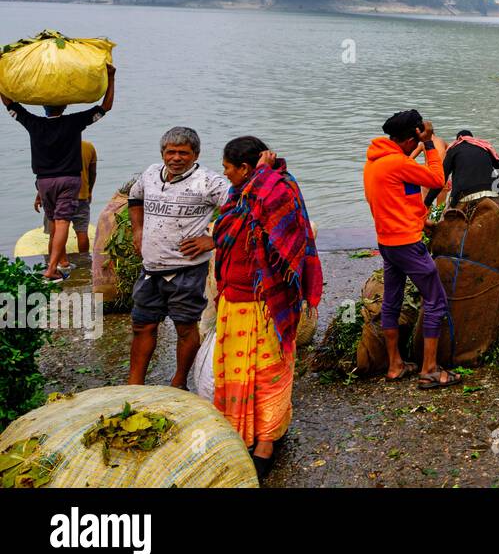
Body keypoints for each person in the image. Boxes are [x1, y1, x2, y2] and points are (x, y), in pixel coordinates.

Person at [212, 136, 322, 481]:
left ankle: (265, 443)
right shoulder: (236, 197)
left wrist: (263, 176)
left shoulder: (278, 192)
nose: (225, 173)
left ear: (246, 168)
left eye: (228, 168)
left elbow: (275, 221)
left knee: (267, 374)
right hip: (234, 301)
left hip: (266, 306)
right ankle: (239, 432)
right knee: (233, 373)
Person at [362, 109, 460, 390]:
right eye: (418, 136)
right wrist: (428, 144)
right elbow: (437, 179)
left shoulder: (374, 162)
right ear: (411, 138)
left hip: (388, 243)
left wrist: (420, 219)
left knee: (391, 301)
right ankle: (429, 369)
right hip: (407, 244)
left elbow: (395, 200)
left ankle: (395, 364)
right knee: (435, 300)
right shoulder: (396, 162)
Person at [127, 127, 230, 387]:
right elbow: (134, 197)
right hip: (150, 268)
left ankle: (179, 382)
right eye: (170, 152)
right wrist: (137, 230)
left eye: (183, 153)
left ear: (195, 154)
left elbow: (242, 208)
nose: (176, 158)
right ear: (162, 153)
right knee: (143, 326)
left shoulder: (209, 182)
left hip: (187, 270)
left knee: (185, 328)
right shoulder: (150, 174)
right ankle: (134, 383)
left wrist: (214, 239)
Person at [3, 64, 115, 280]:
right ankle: (52, 268)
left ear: (43, 106)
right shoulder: (74, 122)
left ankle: (58, 264)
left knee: (54, 221)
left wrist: (0, 75)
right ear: (65, 105)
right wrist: (111, 78)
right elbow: (105, 107)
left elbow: (9, 104)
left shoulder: (34, 123)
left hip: (43, 182)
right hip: (69, 180)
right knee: (63, 222)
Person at [34, 139, 96, 273]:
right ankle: (84, 261)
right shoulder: (88, 146)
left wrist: (39, 195)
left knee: (54, 231)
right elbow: (92, 172)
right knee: (82, 231)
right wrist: (89, 190)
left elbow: (47, 174)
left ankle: (55, 263)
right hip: (81, 194)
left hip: (57, 196)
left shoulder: (56, 145)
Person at [439, 130, 499, 207]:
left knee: (446, 216)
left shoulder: (453, 149)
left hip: (465, 195)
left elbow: (442, 178)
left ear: (458, 140)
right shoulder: (485, 147)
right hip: (491, 192)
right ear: (472, 138)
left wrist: (428, 202)